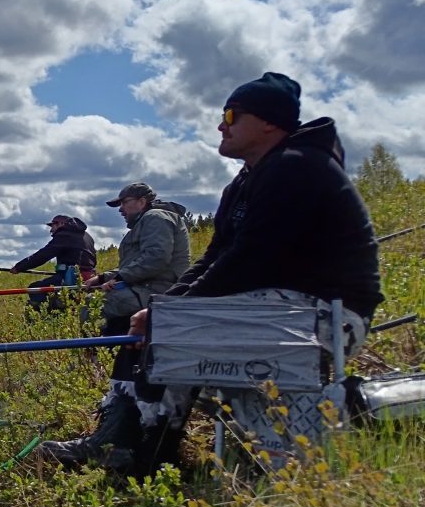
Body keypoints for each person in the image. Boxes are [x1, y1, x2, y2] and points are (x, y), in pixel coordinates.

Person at [42, 72, 384, 474]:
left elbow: (251, 262)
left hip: (327, 314)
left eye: (231, 114)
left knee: (169, 329)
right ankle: (130, 446)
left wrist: (167, 315)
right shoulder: (245, 181)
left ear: (269, 121)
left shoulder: (299, 168)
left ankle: (140, 452)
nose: (221, 124)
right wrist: (163, 306)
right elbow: (214, 259)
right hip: (277, 310)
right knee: (157, 329)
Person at [84, 182, 190, 334]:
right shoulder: (147, 221)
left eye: (124, 202)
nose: (121, 209)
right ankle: (114, 350)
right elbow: (136, 263)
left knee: (93, 304)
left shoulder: (155, 218)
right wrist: (103, 277)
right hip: (146, 287)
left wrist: (121, 277)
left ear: (142, 201)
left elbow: (156, 258)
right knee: (101, 302)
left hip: (160, 289)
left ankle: (95, 353)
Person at [12, 215, 96, 311]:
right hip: (91, 278)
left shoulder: (65, 235)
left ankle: (48, 314)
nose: (51, 230)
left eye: (53, 225)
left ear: (61, 223)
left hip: (71, 278)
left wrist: (19, 267)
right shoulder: (88, 237)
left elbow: (42, 255)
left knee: (34, 288)